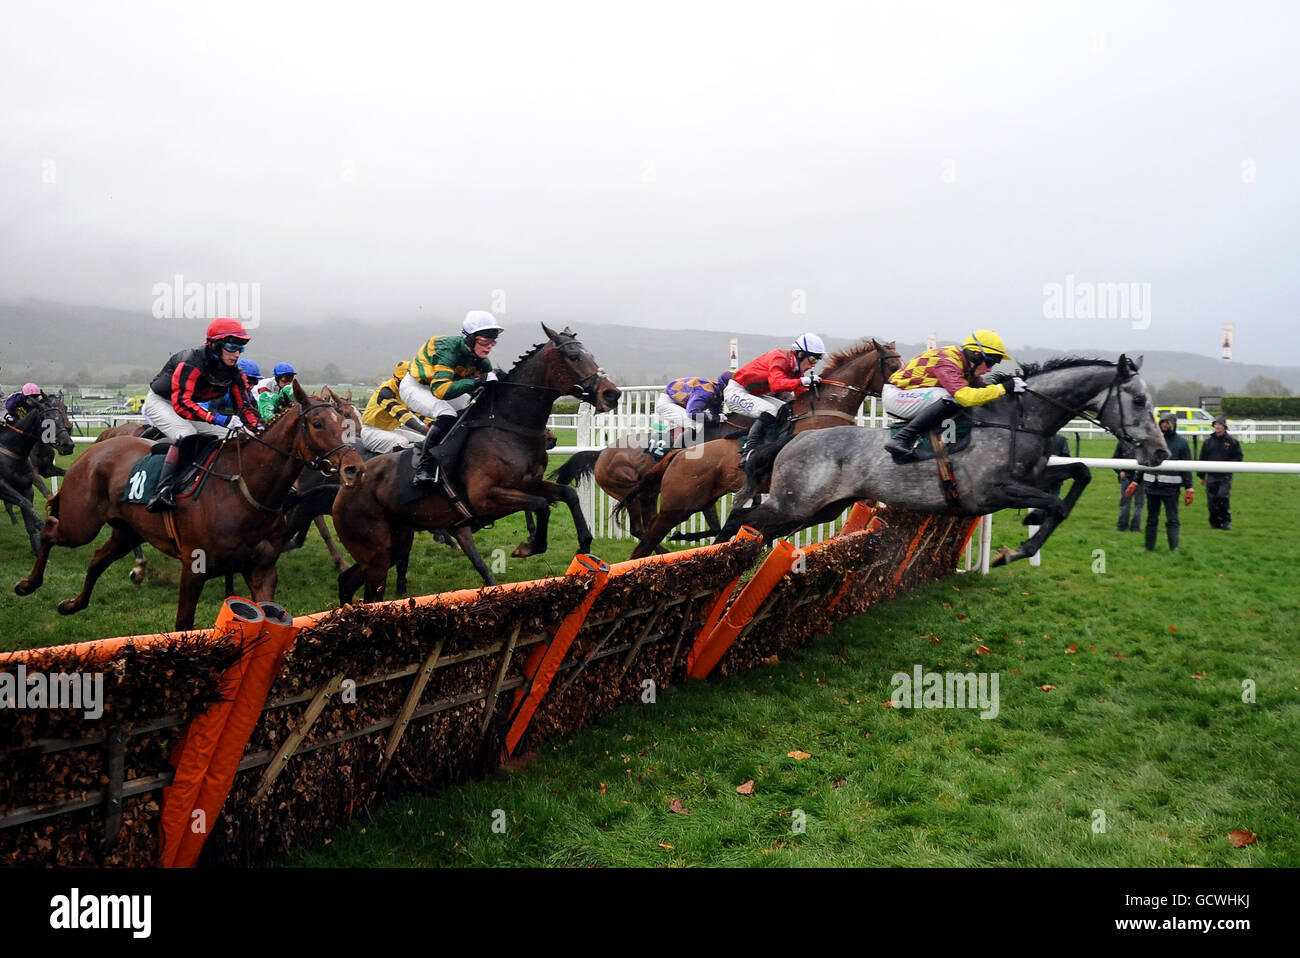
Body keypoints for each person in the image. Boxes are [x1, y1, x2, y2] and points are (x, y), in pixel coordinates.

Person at [143, 318, 265, 512]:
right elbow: (182, 405)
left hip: (188, 405)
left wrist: (259, 428)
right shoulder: (190, 361)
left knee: (232, 437)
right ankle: (162, 491)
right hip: (162, 402)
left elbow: (246, 407)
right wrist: (220, 419)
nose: (236, 354)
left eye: (240, 349)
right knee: (187, 434)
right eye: (232, 347)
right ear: (215, 345)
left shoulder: (235, 373)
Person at [882, 330, 1023, 463]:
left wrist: (1006, 389)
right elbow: (965, 397)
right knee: (952, 397)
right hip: (896, 395)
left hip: (911, 394)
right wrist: (1003, 388)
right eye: (990, 362)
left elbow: (982, 392)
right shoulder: (947, 361)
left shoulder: (964, 364)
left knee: (955, 396)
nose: (990, 369)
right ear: (975, 354)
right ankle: (901, 438)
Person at [402, 311, 503, 487]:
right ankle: (424, 467)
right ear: (470, 339)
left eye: (492, 342)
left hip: (439, 387)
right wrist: (478, 381)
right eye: (484, 341)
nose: (488, 347)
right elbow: (440, 390)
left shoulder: (481, 361)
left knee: (473, 410)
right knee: (447, 413)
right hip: (416, 386)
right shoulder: (448, 349)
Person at [725, 334, 825, 465]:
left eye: (816, 361)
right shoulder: (780, 358)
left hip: (753, 394)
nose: (813, 365)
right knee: (770, 410)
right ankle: (748, 451)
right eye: (812, 359)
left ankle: (770, 443)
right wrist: (803, 381)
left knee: (785, 409)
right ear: (800, 354)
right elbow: (776, 385)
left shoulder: (795, 368)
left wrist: (815, 389)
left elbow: (798, 390)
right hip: (736, 392)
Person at [1137, 412, 1193, 552]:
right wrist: (1135, 481)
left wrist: (1189, 487)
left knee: (1172, 519)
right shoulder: (1152, 441)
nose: (1165, 425)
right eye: (1163, 422)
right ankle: (1148, 547)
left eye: (1168, 423)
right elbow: (1144, 463)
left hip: (1171, 489)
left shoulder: (1182, 443)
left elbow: (1187, 468)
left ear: (1173, 424)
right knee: (1151, 519)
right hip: (1152, 487)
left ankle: (1174, 548)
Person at [651, 372, 733, 457]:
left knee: (703, 422)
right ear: (725, 388)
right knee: (695, 424)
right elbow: (693, 413)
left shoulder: (717, 395)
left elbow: (717, 415)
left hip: (680, 403)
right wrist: (711, 417)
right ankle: (674, 455)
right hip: (668, 403)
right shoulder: (706, 392)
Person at [360, 360, 432, 455]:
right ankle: (400, 469)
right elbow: (402, 415)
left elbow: (420, 413)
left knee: (425, 440)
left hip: (390, 431)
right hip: (371, 433)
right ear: (397, 379)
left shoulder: (406, 393)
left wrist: (435, 425)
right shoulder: (385, 391)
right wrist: (424, 430)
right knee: (402, 442)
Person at [1198, 415, 1243, 530]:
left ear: (1224, 427)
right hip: (1211, 476)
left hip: (1225, 476)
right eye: (1216, 424)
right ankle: (1214, 523)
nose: (1217, 426)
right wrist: (1201, 476)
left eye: (1220, 424)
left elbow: (1238, 457)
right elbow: (1202, 458)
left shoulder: (1232, 442)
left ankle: (1226, 522)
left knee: (1223, 497)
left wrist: (1227, 465)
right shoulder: (1208, 442)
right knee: (1212, 500)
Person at [1112, 438, 1146, 532]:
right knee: (1126, 503)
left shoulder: (1145, 443)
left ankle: (1134, 527)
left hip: (1141, 478)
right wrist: (1120, 471)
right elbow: (1114, 459)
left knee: (1138, 504)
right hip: (1127, 476)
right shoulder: (1122, 442)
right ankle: (1122, 526)